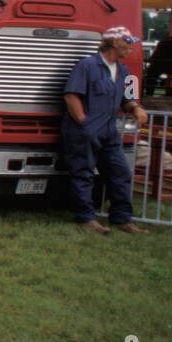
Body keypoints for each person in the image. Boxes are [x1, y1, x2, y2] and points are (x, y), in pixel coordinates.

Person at [61, 26, 150, 235]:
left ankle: (122, 218)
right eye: (127, 42)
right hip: (84, 131)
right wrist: (84, 124)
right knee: (83, 173)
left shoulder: (123, 70)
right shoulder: (87, 65)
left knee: (121, 171)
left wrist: (136, 108)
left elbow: (127, 99)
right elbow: (71, 97)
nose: (130, 46)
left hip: (109, 130)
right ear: (114, 43)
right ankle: (86, 218)